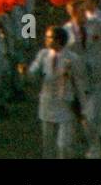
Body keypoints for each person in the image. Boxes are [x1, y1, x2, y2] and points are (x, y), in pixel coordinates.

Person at [21, 26, 87, 160]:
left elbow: (80, 83)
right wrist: (25, 72)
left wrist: (83, 106)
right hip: (47, 102)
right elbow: (33, 73)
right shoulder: (43, 54)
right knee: (48, 144)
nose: (46, 40)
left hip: (65, 104)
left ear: (58, 40)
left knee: (64, 145)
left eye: (49, 37)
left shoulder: (72, 58)